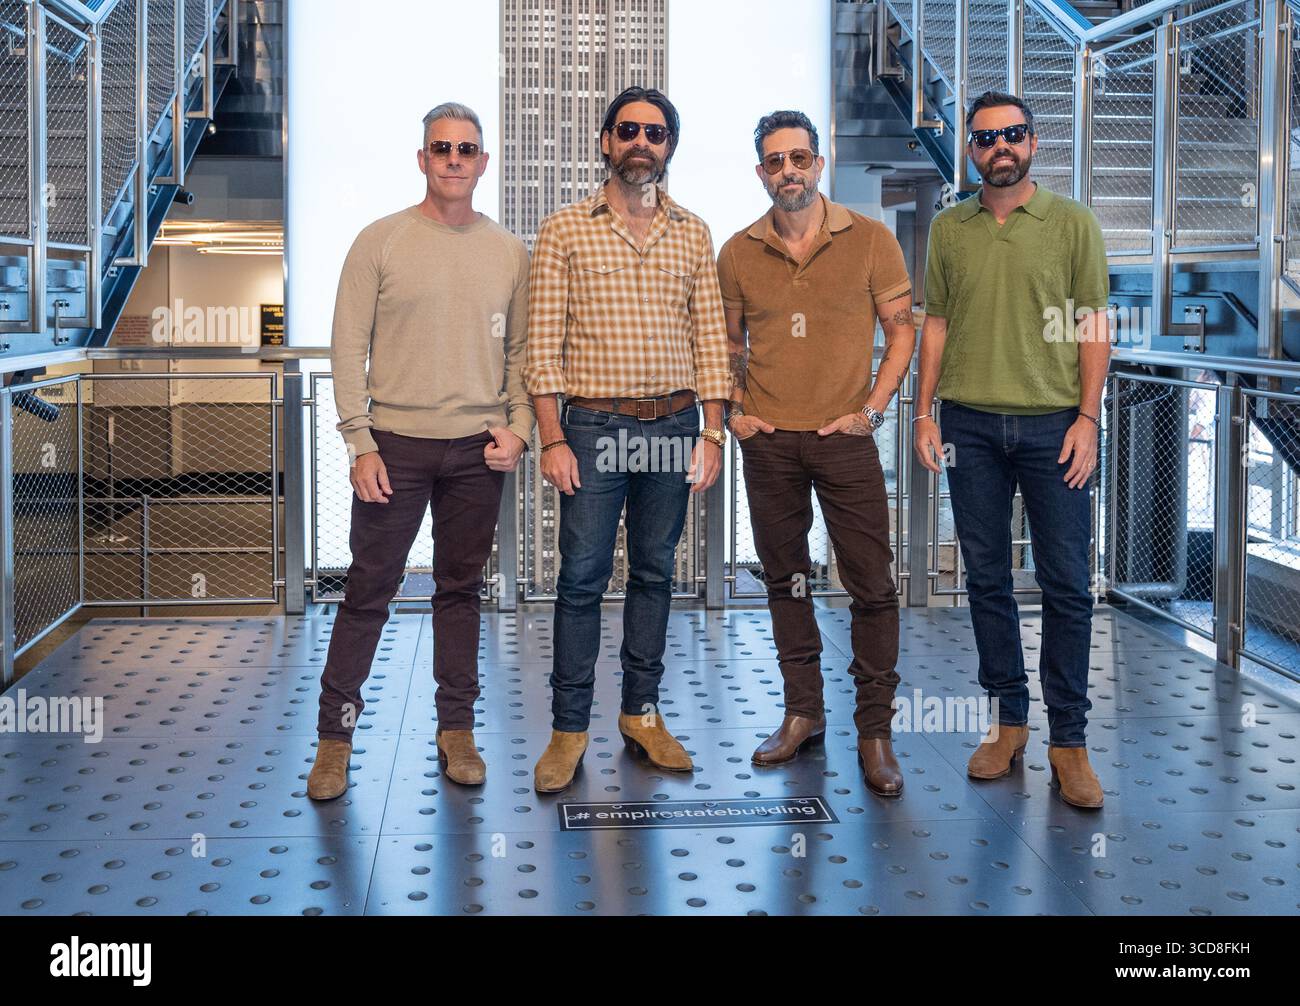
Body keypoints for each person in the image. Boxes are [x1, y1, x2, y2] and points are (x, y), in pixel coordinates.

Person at [308, 102, 534, 799]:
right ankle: (334, 739)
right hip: (394, 450)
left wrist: (519, 426)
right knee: (368, 592)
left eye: (467, 148)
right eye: (442, 148)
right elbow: (348, 346)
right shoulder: (379, 241)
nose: (455, 159)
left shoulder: (510, 252)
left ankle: (456, 731)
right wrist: (358, 441)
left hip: (476, 451)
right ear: (423, 158)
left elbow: (524, 352)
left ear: (483, 162)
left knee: (459, 593)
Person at [523, 86, 731, 793]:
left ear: (670, 146)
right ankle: (568, 729)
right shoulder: (563, 230)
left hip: (674, 426)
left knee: (654, 572)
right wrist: (551, 436)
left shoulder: (693, 232)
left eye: (656, 131)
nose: (642, 141)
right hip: (592, 427)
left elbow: (710, 340)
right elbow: (541, 347)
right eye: (628, 130)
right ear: (605, 141)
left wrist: (713, 431)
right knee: (580, 579)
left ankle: (641, 714)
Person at [913, 91, 1111, 808]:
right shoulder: (949, 229)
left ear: (1033, 143)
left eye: (1013, 135)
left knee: (1065, 585)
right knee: (987, 580)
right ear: (970, 149)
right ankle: (1007, 723)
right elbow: (934, 324)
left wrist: (1088, 417)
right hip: (968, 426)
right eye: (986, 137)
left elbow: (1094, 324)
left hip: (1055, 429)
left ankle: (1070, 742)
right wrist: (922, 413)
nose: (1000, 146)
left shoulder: (1072, 224)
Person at [717, 110, 915, 796]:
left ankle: (875, 731)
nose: (788, 171)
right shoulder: (739, 250)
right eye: (774, 161)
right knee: (787, 582)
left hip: (844, 439)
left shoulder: (869, 240)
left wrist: (873, 411)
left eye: (799, 158)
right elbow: (727, 345)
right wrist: (739, 413)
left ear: (819, 164)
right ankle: (803, 712)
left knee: (873, 584)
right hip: (768, 442)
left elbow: (902, 333)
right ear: (761, 172)